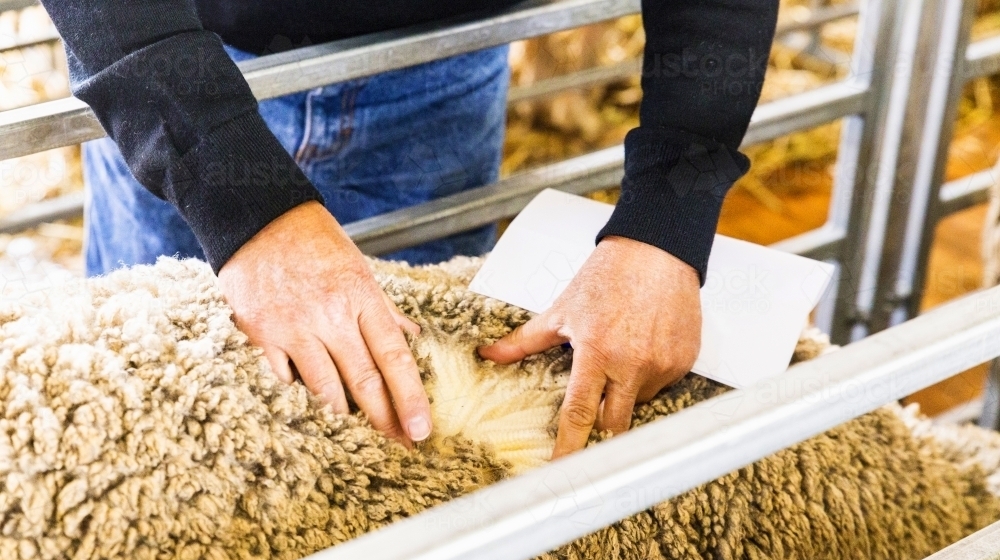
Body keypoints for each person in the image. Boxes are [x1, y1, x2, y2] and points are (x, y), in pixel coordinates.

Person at [40, 0, 779, 458]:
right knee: (156, 438)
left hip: (442, 76)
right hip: (175, 69)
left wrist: (666, 216)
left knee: (413, 452)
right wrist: (236, 194)